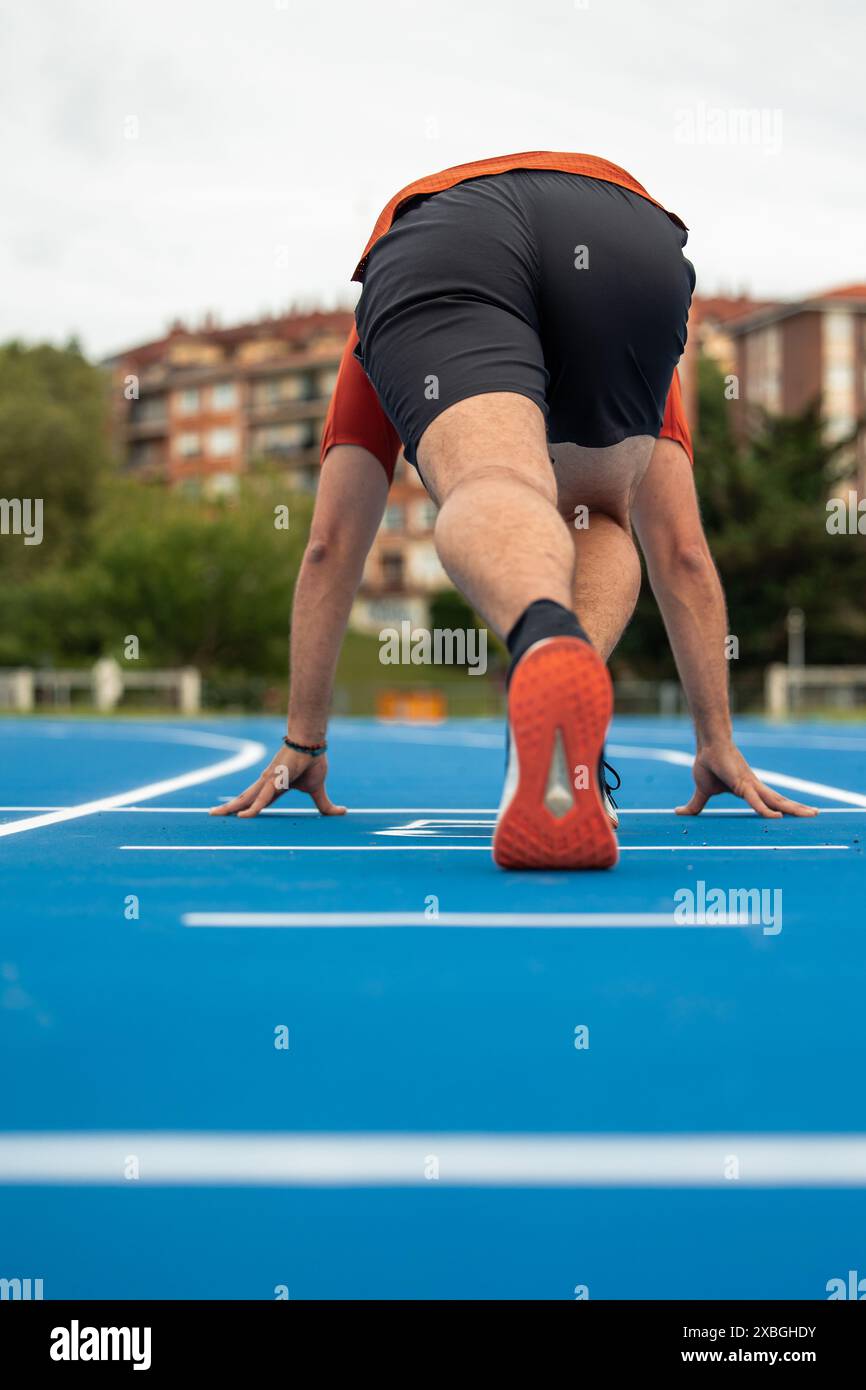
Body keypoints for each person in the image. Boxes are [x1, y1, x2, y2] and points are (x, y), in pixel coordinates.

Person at [212, 151, 816, 865]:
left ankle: (544, 642)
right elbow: (681, 552)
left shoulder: (374, 343)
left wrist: (304, 737)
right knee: (600, 514)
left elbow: (331, 545)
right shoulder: (652, 357)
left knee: (493, 474)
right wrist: (716, 739)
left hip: (443, 240)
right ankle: (569, 738)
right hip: (631, 236)